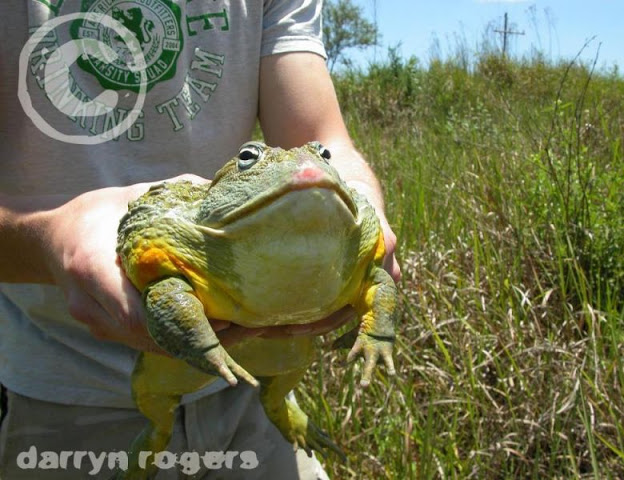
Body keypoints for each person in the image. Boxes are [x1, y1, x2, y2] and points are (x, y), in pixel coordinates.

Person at [0, 1, 400, 478]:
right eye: (252, 158)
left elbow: (318, 139)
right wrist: (52, 242)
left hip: (256, 386)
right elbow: (168, 293)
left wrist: (362, 209)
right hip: (64, 394)